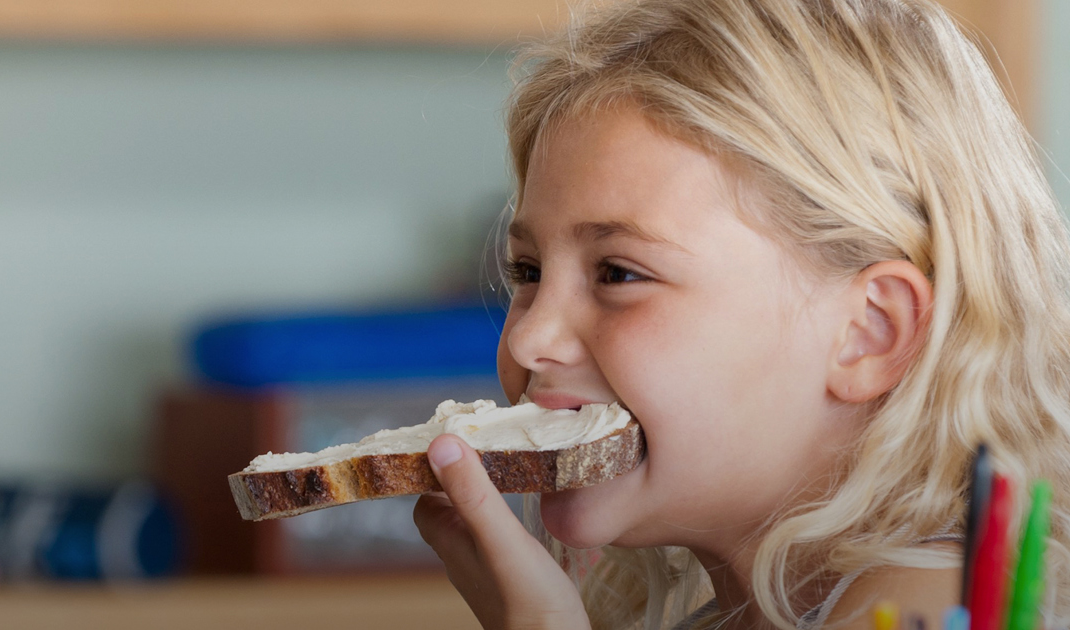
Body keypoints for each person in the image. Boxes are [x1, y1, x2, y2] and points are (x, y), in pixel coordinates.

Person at [412, 0, 1070, 628]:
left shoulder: (928, 604)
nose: (528, 337)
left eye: (618, 274)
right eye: (527, 272)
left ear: (869, 333)